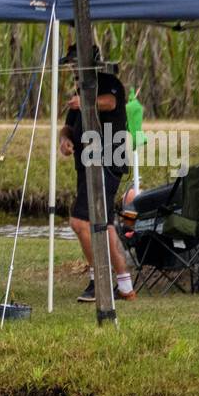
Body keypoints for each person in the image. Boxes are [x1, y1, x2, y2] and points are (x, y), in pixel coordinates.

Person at [59, 43, 136, 302]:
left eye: (74, 64)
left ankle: (98, 280)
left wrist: (85, 101)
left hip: (107, 161)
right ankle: (125, 286)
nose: (72, 69)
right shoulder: (79, 92)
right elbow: (68, 127)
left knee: (81, 222)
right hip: (85, 164)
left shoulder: (108, 82)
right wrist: (65, 140)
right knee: (106, 226)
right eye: (69, 65)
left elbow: (110, 102)